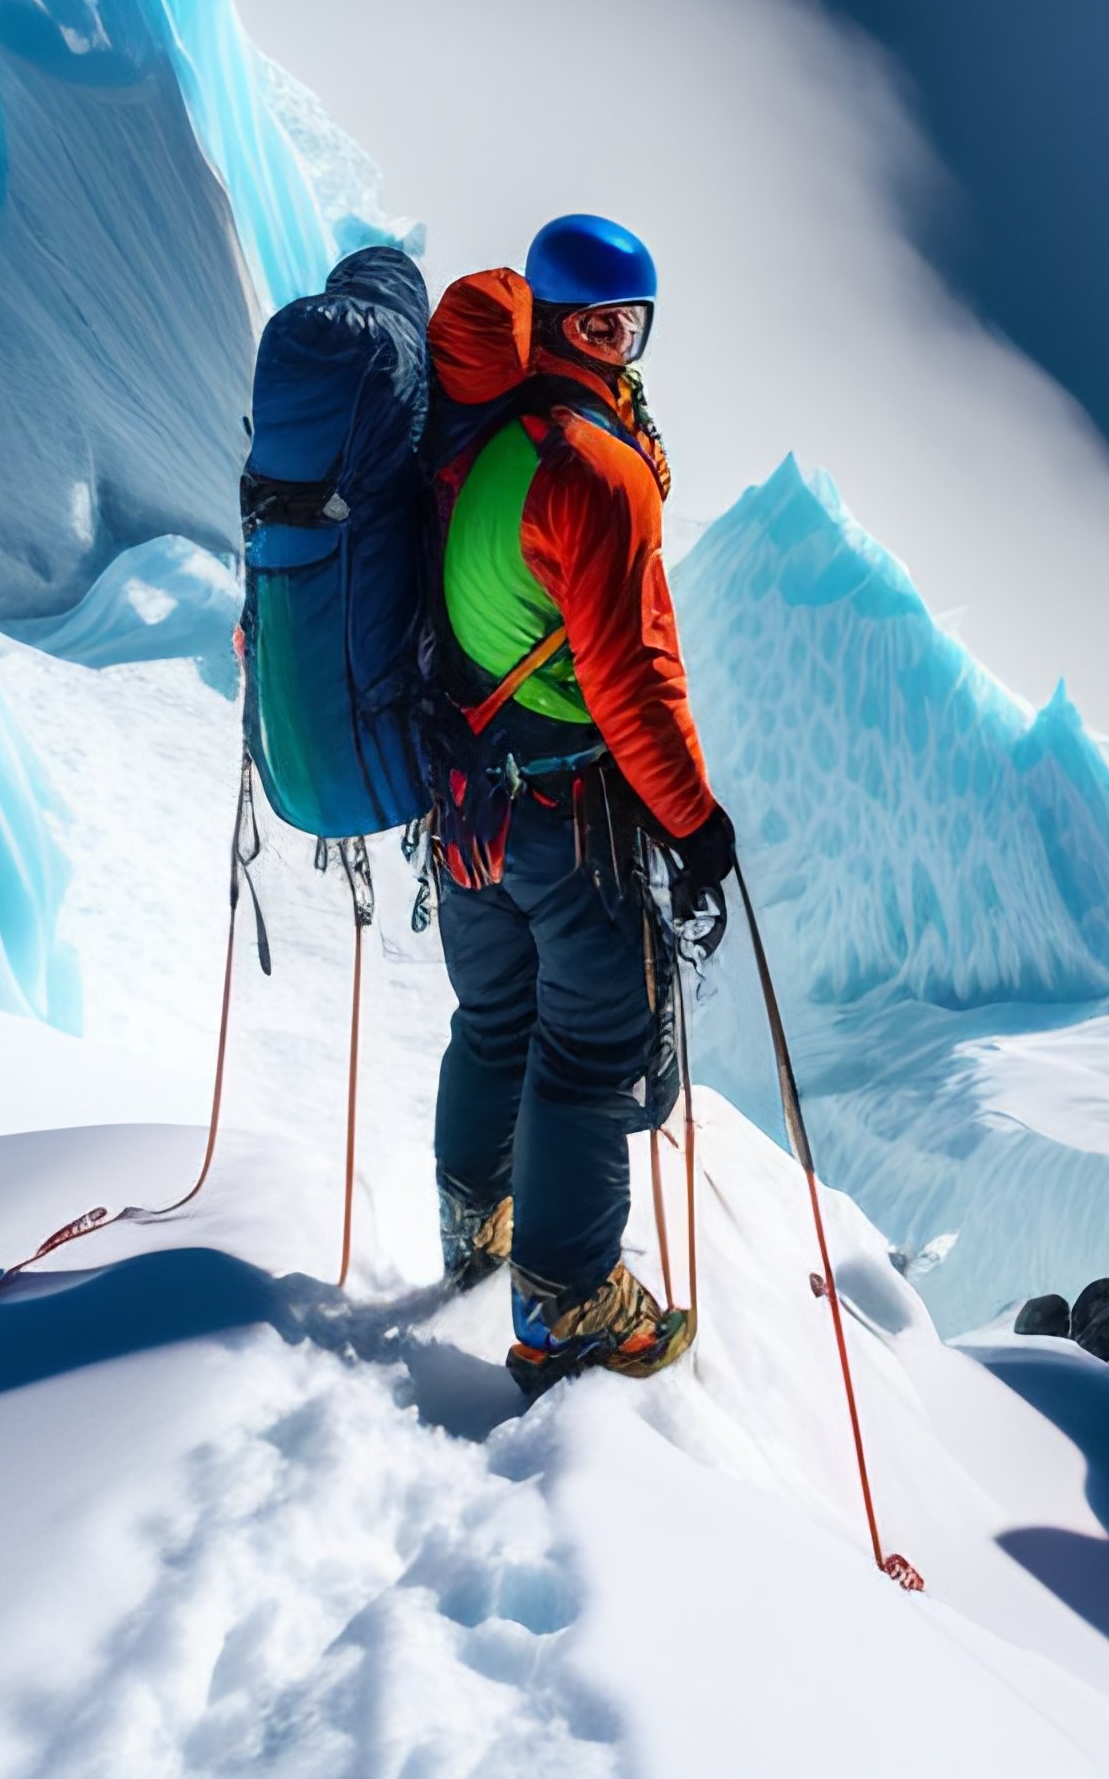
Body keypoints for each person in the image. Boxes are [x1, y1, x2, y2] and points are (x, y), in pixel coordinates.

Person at [426, 212, 735, 1398]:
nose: (616, 340)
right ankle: (565, 1310)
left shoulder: (481, 434)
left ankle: (472, 1226)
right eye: (597, 321)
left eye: (629, 322)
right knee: (589, 1051)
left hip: (463, 804)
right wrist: (694, 824)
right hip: (564, 812)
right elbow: (633, 678)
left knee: (493, 1019)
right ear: (554, 322)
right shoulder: (596, 471)